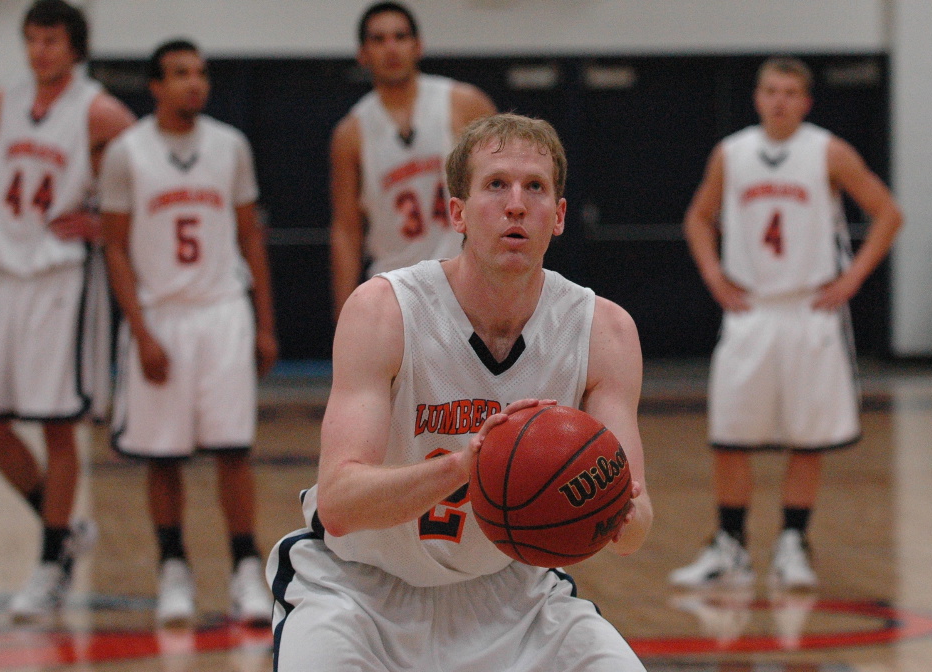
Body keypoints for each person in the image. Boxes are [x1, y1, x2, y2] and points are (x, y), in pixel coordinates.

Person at [268, 113, 654, 671]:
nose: (516, 204)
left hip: (513, 598)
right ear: (457, 212)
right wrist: (467, 465)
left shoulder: (604, 331)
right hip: (358, 593)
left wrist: (614, 508)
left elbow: (635, 529)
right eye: (496, 185)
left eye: (535, 188)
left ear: (560, 216)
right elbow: (340, 501)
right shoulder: (385, 310)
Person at [672, 56, 903, 590]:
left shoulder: (828, 151)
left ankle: (793, 543)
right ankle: (729, 545)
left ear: (806, 101)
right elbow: (697, 217)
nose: (779, 100)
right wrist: (713, 273)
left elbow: (888, 212)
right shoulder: (731, 153)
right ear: (758, 97)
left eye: (790, 91)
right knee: (730, 434)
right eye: (771, 90)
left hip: (809, 308)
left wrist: (852, 279)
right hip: (751, 308)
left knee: (808, 437)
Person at [0, 0, 135, 619]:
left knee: (57, 426)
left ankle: (48, 566)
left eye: (52, 40)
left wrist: (99, 221)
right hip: (3, 275)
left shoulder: (97, 109)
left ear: (75, 47)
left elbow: (148, 168)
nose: (39, 50)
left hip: (60, 280)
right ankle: (63, 531)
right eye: (32, 38)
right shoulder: (6, 102)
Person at [99, 39, 278, 626]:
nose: (193, 83)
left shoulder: (231, 146)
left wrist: (265, 325)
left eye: (199, 73)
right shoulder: (127, 152)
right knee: (163, 457)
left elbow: (251, 237)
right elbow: (116, 249)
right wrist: (141, 331)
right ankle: (173, 568)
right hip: (162, 316)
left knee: (233, 452)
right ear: (155, 86)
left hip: (223, 311)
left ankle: (245, 569)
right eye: (179, 74)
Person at [329, 1, 496, 320]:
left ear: (418, 46)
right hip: (395, 288)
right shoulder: (350, 133)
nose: (391, 48)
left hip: (465, 281)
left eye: (400, 36)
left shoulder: (464, 104)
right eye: (378, 40)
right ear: (362, 54)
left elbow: (506, 190)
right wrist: (344, 314)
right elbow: (347, 230)